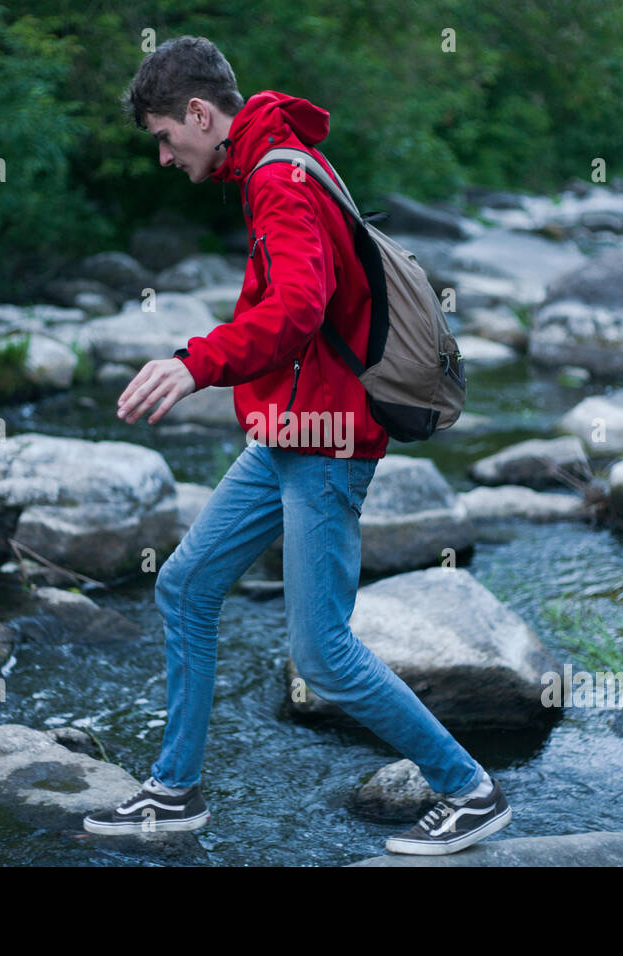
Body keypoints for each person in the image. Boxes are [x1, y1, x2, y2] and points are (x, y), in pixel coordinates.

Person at [83, 35, 510, 855]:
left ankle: (469, 789)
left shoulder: (279, 175)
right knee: (185, 587)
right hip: (289, 429)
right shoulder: (281, 158)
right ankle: (174, 792)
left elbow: (298, 313)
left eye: (167, 139)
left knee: (322, 653)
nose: (167, 158)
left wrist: (194, 361)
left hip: (326, 441)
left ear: (201, 115)